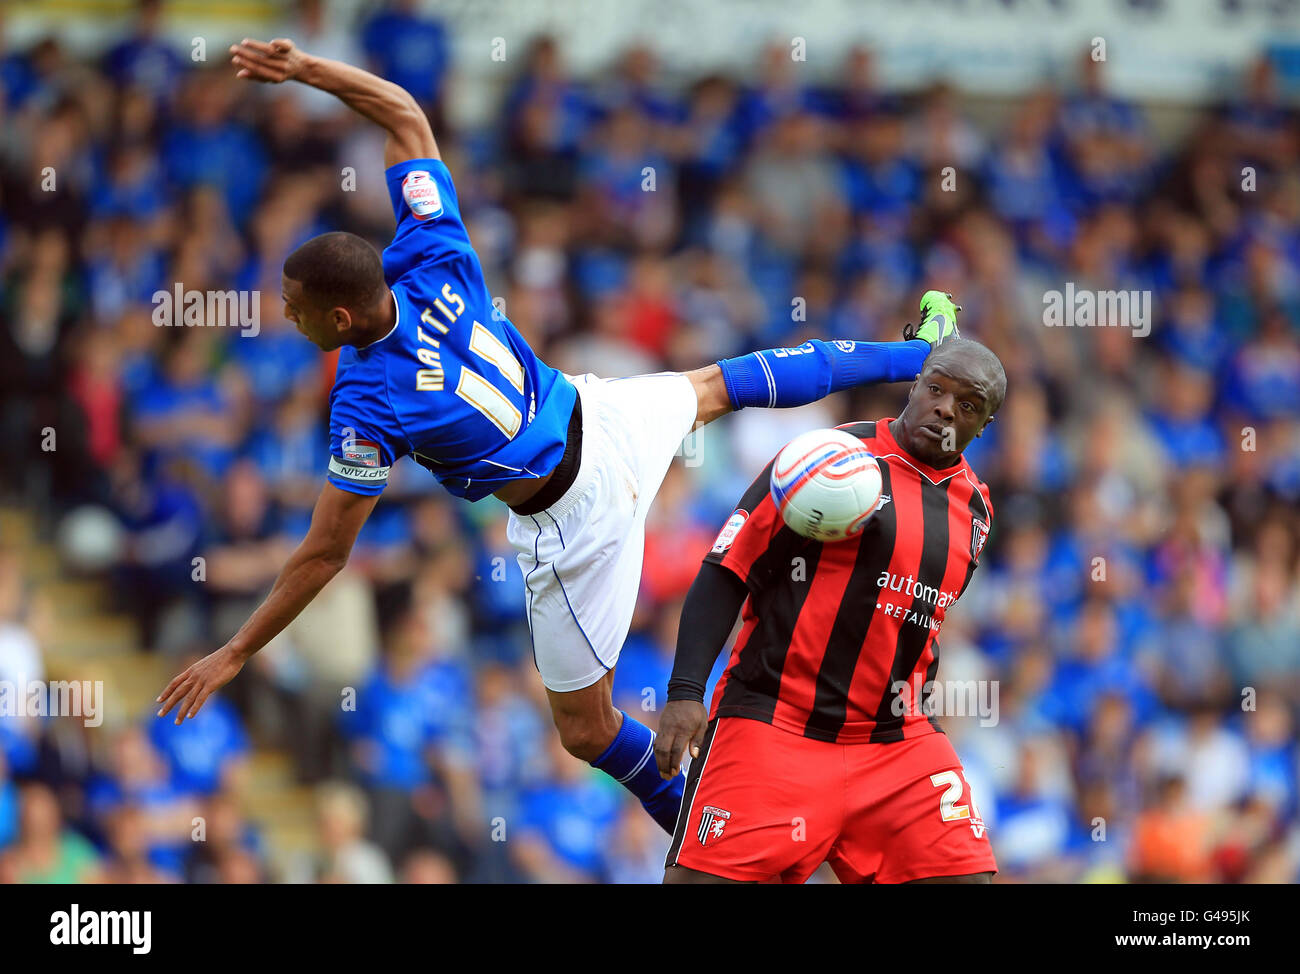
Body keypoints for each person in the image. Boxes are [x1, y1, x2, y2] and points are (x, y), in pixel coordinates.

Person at [156, 37, 960, 835]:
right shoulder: (433, 253)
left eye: (294, 307)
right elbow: (403, 114)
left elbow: (325, 554)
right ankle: (921, 353)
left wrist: (235, 650)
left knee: (585, 728)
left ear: (340, 316)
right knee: (722, 383)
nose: (285, 315)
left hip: (573, 516)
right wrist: (306, 71)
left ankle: (701, 824)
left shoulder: (367, 405)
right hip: (598, 412)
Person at [657, 338, 1006, 881]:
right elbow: (729, 567)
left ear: (983, 425)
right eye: (936, 389)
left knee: (967, 876)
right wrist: (684, 692)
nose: (944, 408)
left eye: (967, 404)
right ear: (913, 387)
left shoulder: (977, 510)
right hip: (775, 726)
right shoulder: (826, 458)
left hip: (896, 741)